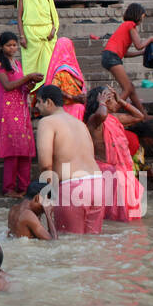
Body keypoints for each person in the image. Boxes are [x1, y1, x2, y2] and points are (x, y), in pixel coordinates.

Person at [34, 85, 103, 234]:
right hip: (98, 184)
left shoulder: (47, 122)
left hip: (72, 187)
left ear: (49, 102)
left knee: (70, 243)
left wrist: (48, 196)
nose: (37, 107)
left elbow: (45, 165)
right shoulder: (79, 124)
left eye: (39, 102)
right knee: (94, 244)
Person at [82, 87, 145, 220]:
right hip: (104, 170)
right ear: (101, 101)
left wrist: (121, 101)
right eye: (111, 99)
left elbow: (139, 116)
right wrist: (103, 102)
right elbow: (101, 115)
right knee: (111, 215)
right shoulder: (94, 120)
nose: (114, 103)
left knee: (126, 216)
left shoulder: (114, 118)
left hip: (120, 170)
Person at [0, 31, 41, 195]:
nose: (12, 48)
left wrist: (30, 84)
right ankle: (9, 188)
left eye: (14, 45)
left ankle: (24, 187)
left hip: (22, 109)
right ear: (1, 46)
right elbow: (7, 86)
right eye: (9, 45)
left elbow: (22, 87)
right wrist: (28, 77)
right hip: (8, 110)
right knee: (13, 151)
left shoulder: (17, 64)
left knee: (24, 150)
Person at [101, 2, 153, 112]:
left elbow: (125, 53)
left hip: (110, 56)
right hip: (112, 57)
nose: (142, 19)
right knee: (127, 88)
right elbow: (139, 45)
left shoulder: (125, 26)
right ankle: (111, 110)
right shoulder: (130, 25)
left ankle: (143, 116)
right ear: (137, 15)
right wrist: (150, 39)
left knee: (131, 87)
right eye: (142, 16)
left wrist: (142, 53)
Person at [17, 0, 59, 83]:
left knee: (48, 68)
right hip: (31, 35)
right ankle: (31, 94)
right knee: (31, 68)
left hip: (48, 36)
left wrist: (53, 30)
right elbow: (19, 17)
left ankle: (47, 91)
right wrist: (22, 36)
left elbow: (53, 15)